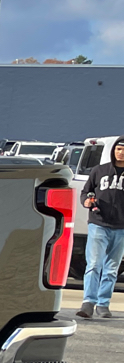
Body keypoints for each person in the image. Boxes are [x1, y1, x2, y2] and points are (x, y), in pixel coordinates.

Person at [78, 135, 124, 319]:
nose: (121, 153)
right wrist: (87, 201)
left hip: (121, 228)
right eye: (119, 149)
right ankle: (88, 303)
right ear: (114, 151)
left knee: (112, 268)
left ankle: (103, 304)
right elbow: (84, 192)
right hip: (98, 224)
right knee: (94, 264)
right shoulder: (99, 171)